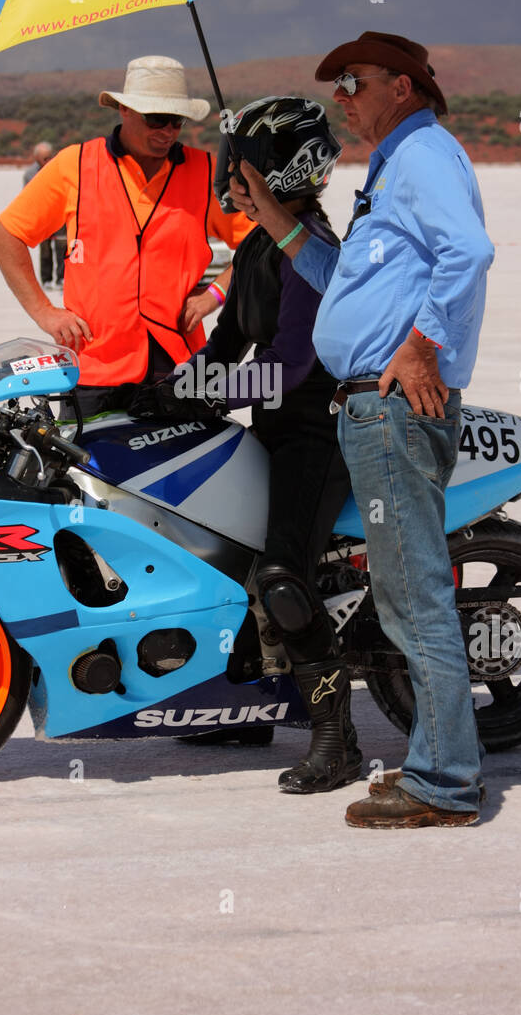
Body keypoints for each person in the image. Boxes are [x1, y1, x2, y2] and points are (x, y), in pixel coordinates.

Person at [227, 32, 496, 828]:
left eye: (352, 81)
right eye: (335, 85)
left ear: (404, 85)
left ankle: (443, 784)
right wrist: (273, 217)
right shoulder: (391, 165)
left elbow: (470, 254)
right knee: (405, 593)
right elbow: (343, 278)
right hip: (369, 410)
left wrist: (422, 346)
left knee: (413, 599)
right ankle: (437, 770)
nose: (339, 96)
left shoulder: (423, 155)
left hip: (392, 411)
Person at [129, 97, 361, 795]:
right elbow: (230, 342)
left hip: (317, 431)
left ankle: (337, 737)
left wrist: (210, 392)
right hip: (272, 422)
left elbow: (290, 366)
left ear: (285, 172)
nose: (231, 176)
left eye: (245, 165)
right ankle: (247, 705)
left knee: (280, 577)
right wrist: (163, 387)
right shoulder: (263, 242)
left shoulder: (312, 248)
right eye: (233, 164)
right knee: (219, 547)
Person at [0, 57, 252, 417]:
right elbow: (5, 237)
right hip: (93, 367)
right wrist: (45, 313)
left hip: (178, 368)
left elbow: (259, 244)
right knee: (87, 473)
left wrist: (214, 295)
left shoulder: (206, 172)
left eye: (177, 120)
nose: (168, 132)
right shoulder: (74, 165)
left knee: (178, 472)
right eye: (157, 120)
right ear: (125, 110)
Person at [23, 141, 63, 291]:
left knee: (61, 247)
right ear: (36, 158)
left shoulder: (58, 169)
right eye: (44, 159)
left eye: (49, 157)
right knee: (45, 249)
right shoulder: (29, 174)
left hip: (59, 214)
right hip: (42, 216)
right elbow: (27, 197)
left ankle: (61, 278)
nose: (48, 161)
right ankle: (46, 279)